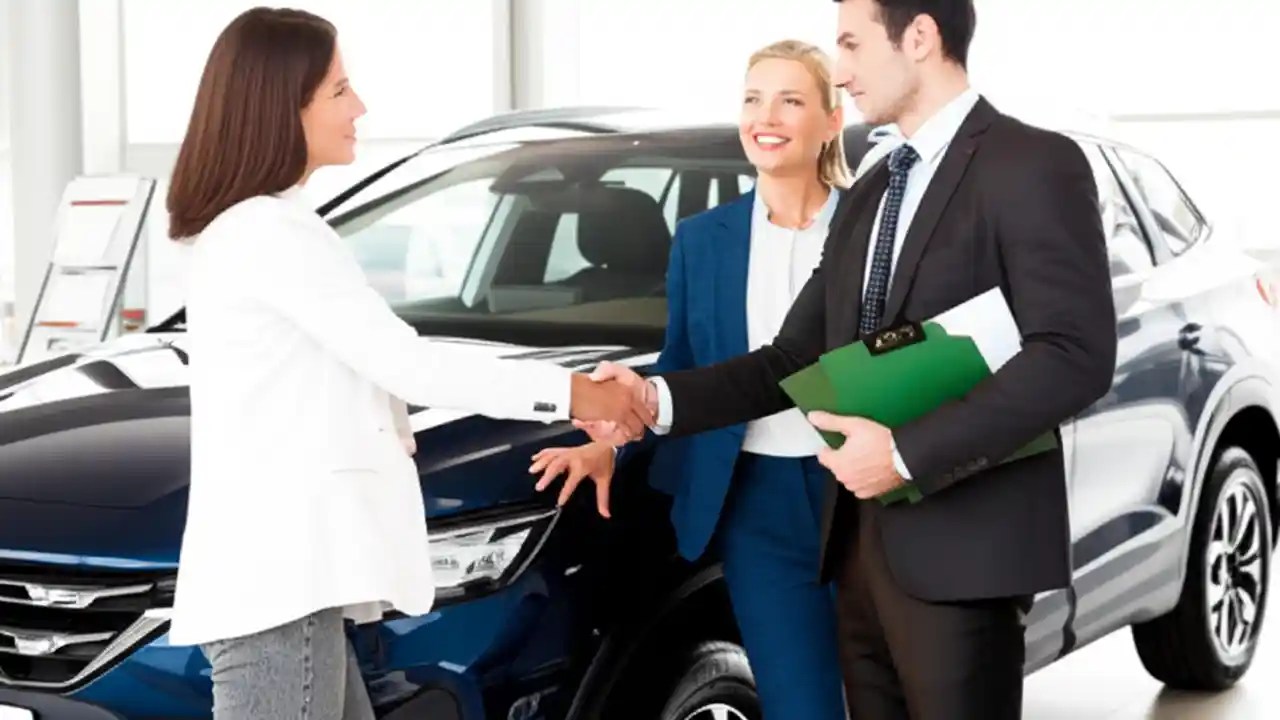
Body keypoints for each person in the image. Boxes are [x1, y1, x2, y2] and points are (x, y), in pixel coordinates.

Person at [577, 0, 1117, 718]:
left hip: (962, 552)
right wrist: (653, 399)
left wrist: (903, 453)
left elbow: (1074, 354)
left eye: (852, 45)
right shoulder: (874, 187)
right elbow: (792, 357)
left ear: (919, 37)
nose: (841, 71)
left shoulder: (1032, 163)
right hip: (859, 550)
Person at [164, 8, 646, 719]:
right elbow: (407, 364)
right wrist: (579, 393)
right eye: (339, 90)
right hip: (282, 590)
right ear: (280, 106)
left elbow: (349, 378)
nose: (359, 106)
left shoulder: (256, 230)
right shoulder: (269, 233)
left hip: (289, 591)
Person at [530, 40, 852, 720]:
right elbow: (683, 368)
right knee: (803, 703)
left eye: (791, 100)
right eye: (753, 98)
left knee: (891, 691)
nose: (766, 116)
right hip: (756, 498)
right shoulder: (704, 239)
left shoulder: (871, 228)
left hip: (865, 493)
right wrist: (612, 440)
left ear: (831, 120)